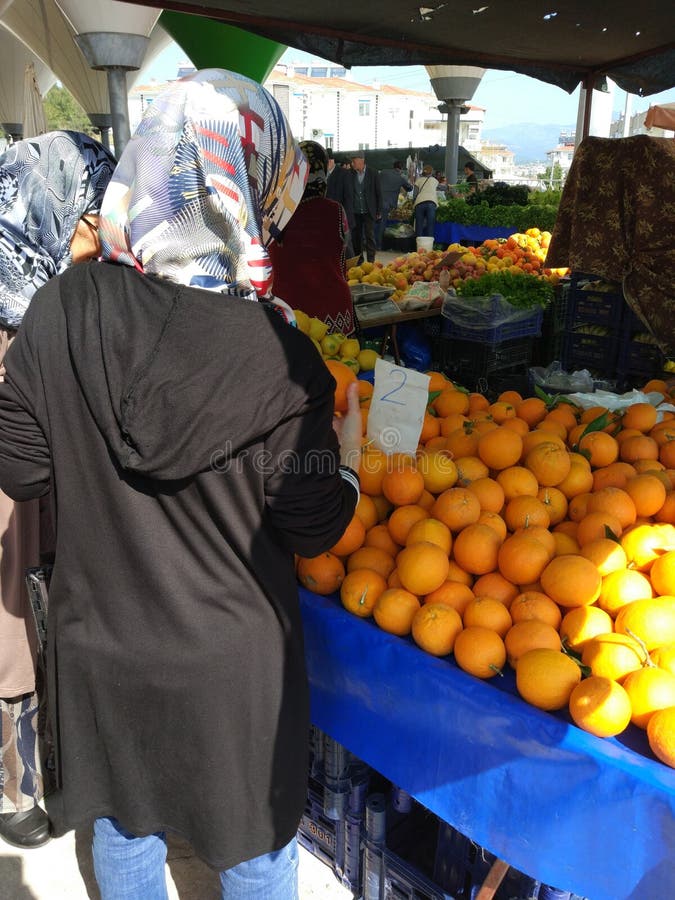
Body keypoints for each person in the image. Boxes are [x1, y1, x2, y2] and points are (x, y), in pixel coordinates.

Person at [0, 69, 361, 899]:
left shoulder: (59, 310)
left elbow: (20, 468)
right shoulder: (281, 360)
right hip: (234, 671)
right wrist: (346, 455)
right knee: (254, 852)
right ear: (254, 177)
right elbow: (313, 524)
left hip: (103, 649)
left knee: (125, 825)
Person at [0, 131, 115, 850]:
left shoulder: (41, 292)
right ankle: (11, 783)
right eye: (90, 222)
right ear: (51, 216)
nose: (98, 241)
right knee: (8, 619)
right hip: (8, 501)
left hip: (35, 495)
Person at [269, 140, 355, 335]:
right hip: (334, 310)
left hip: (289, 312)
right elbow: (343, 247)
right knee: (338, 364)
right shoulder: (336, 212)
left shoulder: (275, 212)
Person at [348, 151, 382, 264]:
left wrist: (379, 210)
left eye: (354, 161)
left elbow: (378, 193)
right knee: (356, 238)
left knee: (369, 236)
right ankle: (360, 261)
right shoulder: (350, 174)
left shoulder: (373, 173)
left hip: (369, 210)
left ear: (362, 160)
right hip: (355, 211)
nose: (353, 163)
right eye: (352, 161)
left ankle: (371, 261)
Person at [377, 160, 412, 248]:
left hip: (375, 200)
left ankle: (366, 243)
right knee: (382, 223)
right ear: (401, 169)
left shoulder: (383, 172)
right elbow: (409, 188)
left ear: (393, 167)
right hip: (386, 203)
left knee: (372, 223)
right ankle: (378, 245)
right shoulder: (400, 178)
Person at [413, 164, 440, 239]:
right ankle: (429, 247)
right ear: (431, 172)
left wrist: (413, 202)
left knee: (419, 225)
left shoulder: (418, 180)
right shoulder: (435, 181)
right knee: (430, 225)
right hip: (431, 203)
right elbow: (441, 188)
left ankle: (418, 247)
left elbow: (415, 194)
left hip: (419, 203)